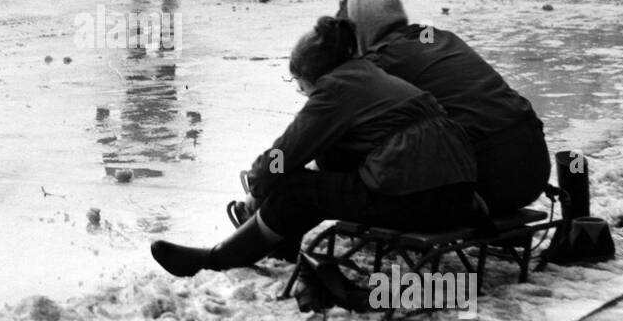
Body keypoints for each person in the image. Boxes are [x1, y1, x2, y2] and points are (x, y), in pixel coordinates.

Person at [149, 15, 478, 278]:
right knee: (317, 178)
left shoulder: (336, 89)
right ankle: (277, 242)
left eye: (300, 86)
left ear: (313, 77)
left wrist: (258, 186)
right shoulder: (372, 76)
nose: (302, 94)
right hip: (459, 200)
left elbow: (283, 156)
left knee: (296, 189)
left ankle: (218, 258)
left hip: (419, 201)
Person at [338, 0, 550, 214]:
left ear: (361, 29)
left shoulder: (379, 63)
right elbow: (423, 48)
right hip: (535, 167)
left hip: (485, 181)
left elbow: (343, 128)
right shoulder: (440, 37)